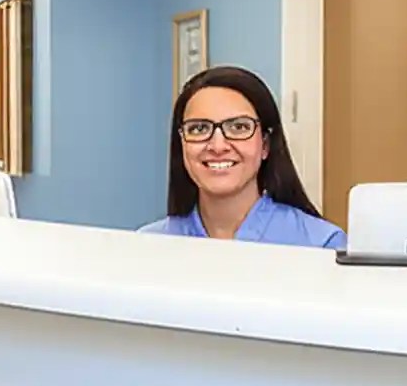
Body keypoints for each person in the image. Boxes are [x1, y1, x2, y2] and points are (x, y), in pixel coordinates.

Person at [138, 65, 346, 249]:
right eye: (199, 128)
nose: (218, 146)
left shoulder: (321, 245)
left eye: (238, 127)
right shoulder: (148, 245)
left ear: (265, 144)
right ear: (182, 143)